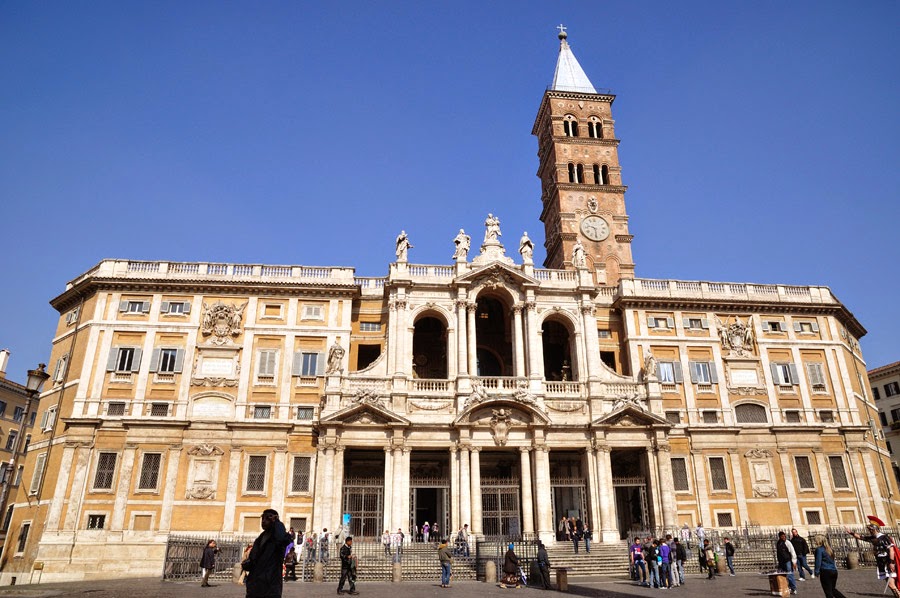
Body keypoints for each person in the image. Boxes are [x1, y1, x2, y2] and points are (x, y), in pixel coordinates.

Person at [242, 509, 293, 598]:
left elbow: (281, 538)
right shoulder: (260, 538)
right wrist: (248, 563)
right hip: (255, 583)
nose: (264, 521)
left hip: (270, 584)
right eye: (263, 519)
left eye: (267, 518)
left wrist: (277, 522)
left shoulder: (279, 536)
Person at [847, 524, 900, 598]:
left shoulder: (884, 537)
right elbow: (861, 537)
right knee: (890, 584)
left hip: (887, 562)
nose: (870, 531)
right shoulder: (873, 538)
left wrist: (891, 563)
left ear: (875, 529)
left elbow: (891, 550)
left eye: (871, 529)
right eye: (869, 530)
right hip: (881, 563)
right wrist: (851, 533)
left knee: (891, 584)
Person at [776, 531, 798, 595]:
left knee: (790, 575)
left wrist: (794, 562)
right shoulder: (778, 543)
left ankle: (794, 588)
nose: (784, 537)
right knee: (783, 576)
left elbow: (792, 552)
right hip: (782, 562)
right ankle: (788, 587)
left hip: (788, 561)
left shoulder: (788, 543)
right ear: (779, 537)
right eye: (782, 536)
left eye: (784, 536)